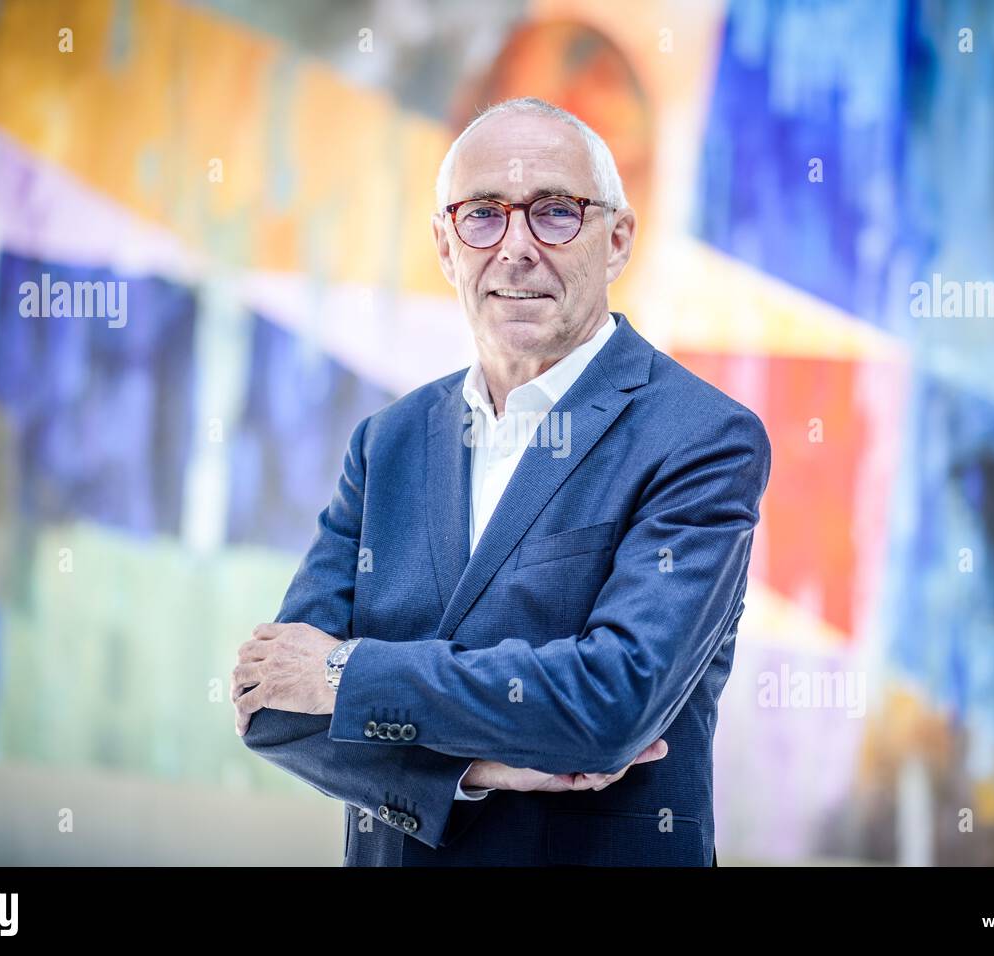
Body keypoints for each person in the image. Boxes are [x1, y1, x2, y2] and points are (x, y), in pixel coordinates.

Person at [233, 96, 770, 866]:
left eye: (555, 212)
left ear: (617, 240)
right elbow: (275, 710)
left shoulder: (701, 437)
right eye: (483, 215)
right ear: (445, 246)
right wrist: (472, 771)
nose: (516, 248)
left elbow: (610, 700)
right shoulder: (386, 444)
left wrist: (342, 674)